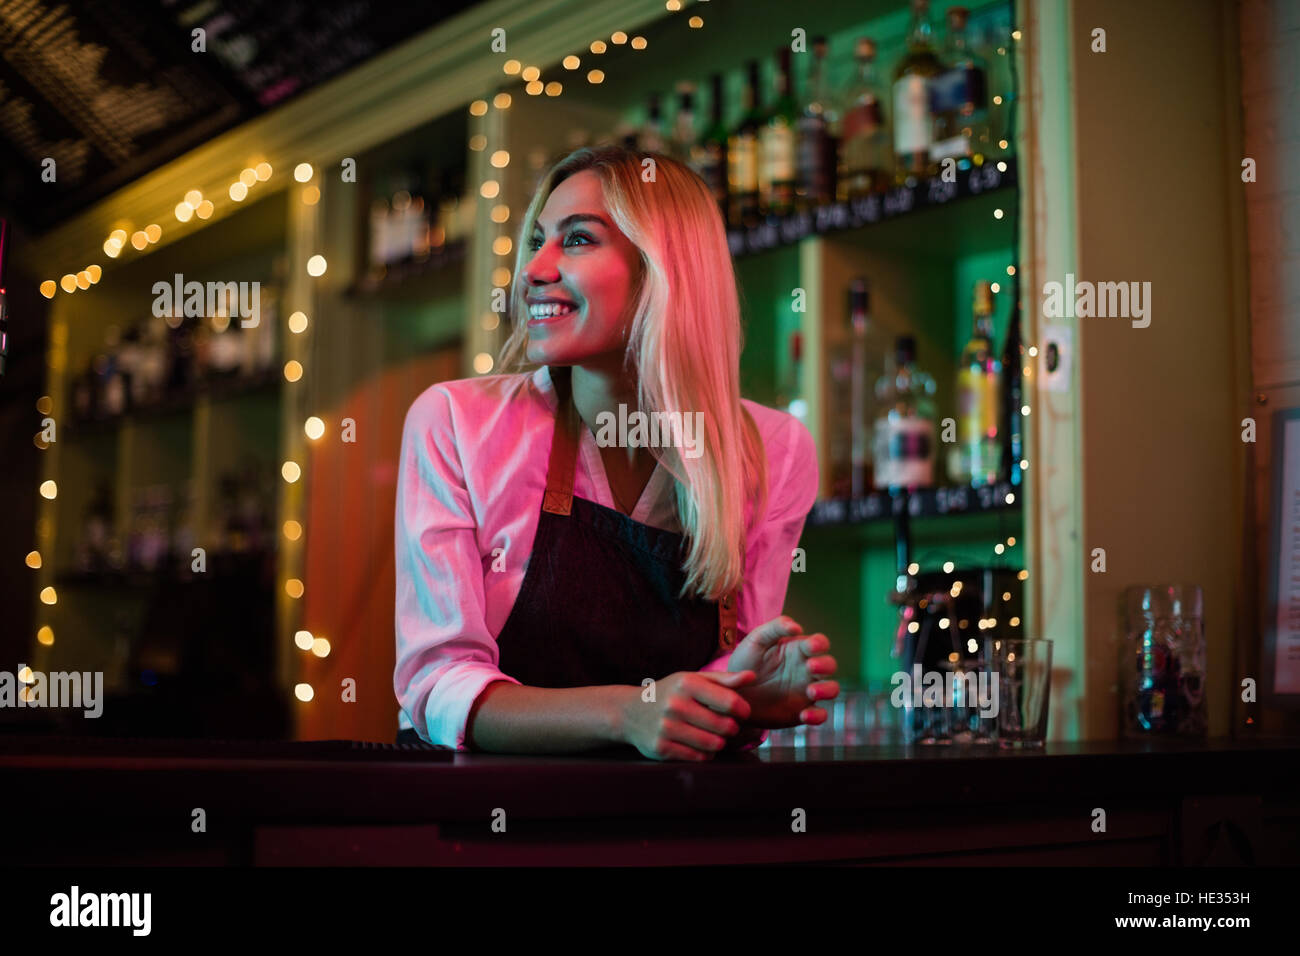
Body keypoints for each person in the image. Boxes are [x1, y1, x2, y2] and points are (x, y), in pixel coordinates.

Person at [394, 144, 837, 759]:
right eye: (537, 242)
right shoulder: (455, 423)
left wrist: (747, 691)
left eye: (576, 241)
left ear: (664, 267)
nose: (534, 270)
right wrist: (628, 712)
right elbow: (439, 685)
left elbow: (705, 689)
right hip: (486, 827)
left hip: (674, 832)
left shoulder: (775, 450)